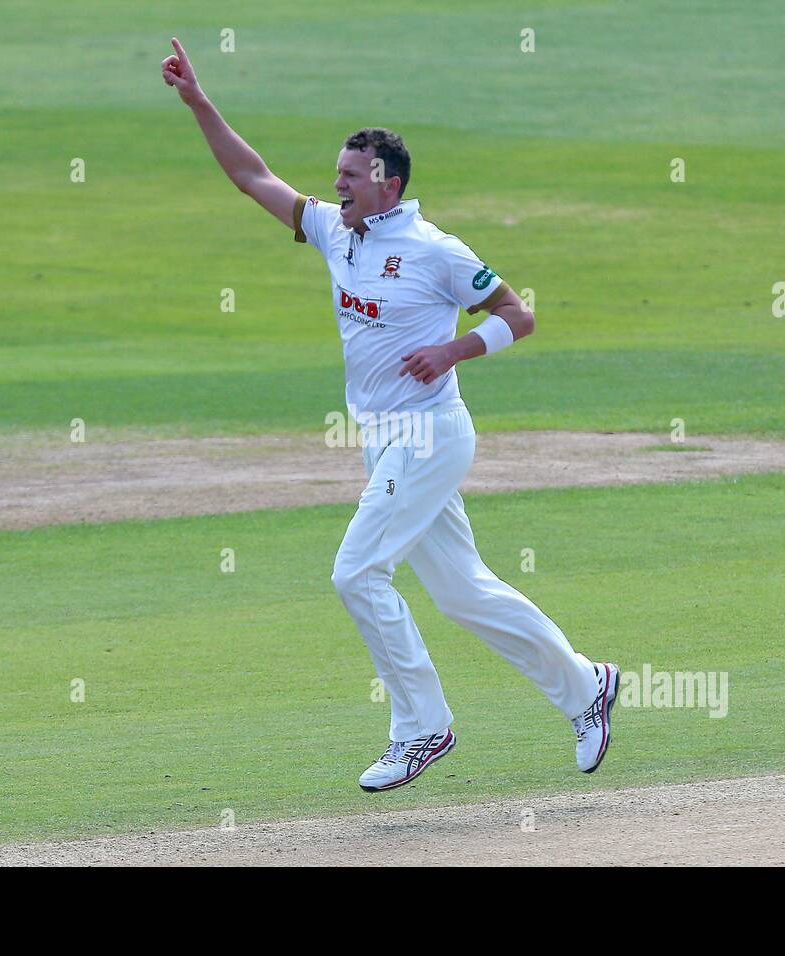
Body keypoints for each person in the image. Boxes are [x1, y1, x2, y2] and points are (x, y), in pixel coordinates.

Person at [162, 38, 619, 792]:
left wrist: (454, 351)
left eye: (349, 174)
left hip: (430, 433)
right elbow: (251, 176)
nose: (334, 183)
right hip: (385, 441)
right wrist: (198, 101)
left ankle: (422, 728)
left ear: (388, 183)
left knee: (355, 573)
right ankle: (587, 686)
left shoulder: (435, 250)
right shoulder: (336, 234)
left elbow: (518, 314)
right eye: (335, 172)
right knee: (462, 591)